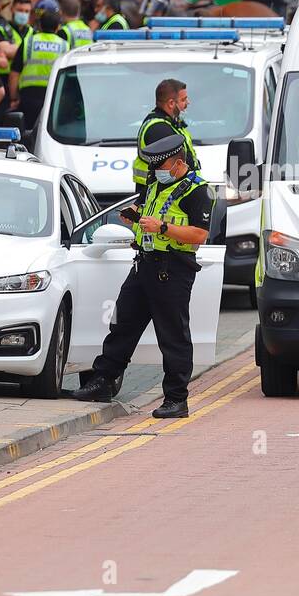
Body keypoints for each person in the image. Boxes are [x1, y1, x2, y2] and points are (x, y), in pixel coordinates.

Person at [72, 133, 215, 419]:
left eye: (161, 167)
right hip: (144, 264)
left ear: (176, 164)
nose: (156, 171)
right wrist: (135, 217)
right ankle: (103, 381)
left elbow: (200, 234)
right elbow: (148, 210)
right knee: (123, 325)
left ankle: (176, 399)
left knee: (173, 335)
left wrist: (161, 228)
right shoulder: (154, 181)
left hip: (173, 269)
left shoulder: (199, 191)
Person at [133, 79, 199, 197]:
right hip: (163, 197)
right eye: (183, 99)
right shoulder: (158, 129)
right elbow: (173, 168)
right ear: (171, 103)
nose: (188, 102)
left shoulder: (171, 123)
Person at [9, 0, 67, 132]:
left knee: (28, 132)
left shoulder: (28, 42)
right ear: (58, 27)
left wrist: (13, 98)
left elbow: (15, 73)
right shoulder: (64, 45)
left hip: (28, 96)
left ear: (39, 25)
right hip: (53, 95)